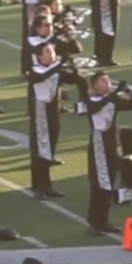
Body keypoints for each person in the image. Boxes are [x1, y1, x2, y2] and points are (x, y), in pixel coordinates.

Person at [83, 72, 132, 235]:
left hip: (110, 146)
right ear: (95, 85)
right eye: (103, 80)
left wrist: (128, 91)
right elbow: (94, 109)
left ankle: (103, 220)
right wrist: (114, 94)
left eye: (108, 80)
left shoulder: (112, 99)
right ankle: (94, 222)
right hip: (98, 146)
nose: (107, 83)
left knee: (109, 182)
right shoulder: (91, 100)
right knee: (100, 185)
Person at [27, 41, 79, 199]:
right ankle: (39, 187)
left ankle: (47, 185)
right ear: (39, 56)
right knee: (40, 151)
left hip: (53, 114)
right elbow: (41, 76)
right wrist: (59, 65)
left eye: (53, 51)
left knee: (49, 150)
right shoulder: (35, 69)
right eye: (48, 51)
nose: (52, 54)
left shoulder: (55, 69)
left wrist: (73, 65)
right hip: (40, 114)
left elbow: (73, 79)